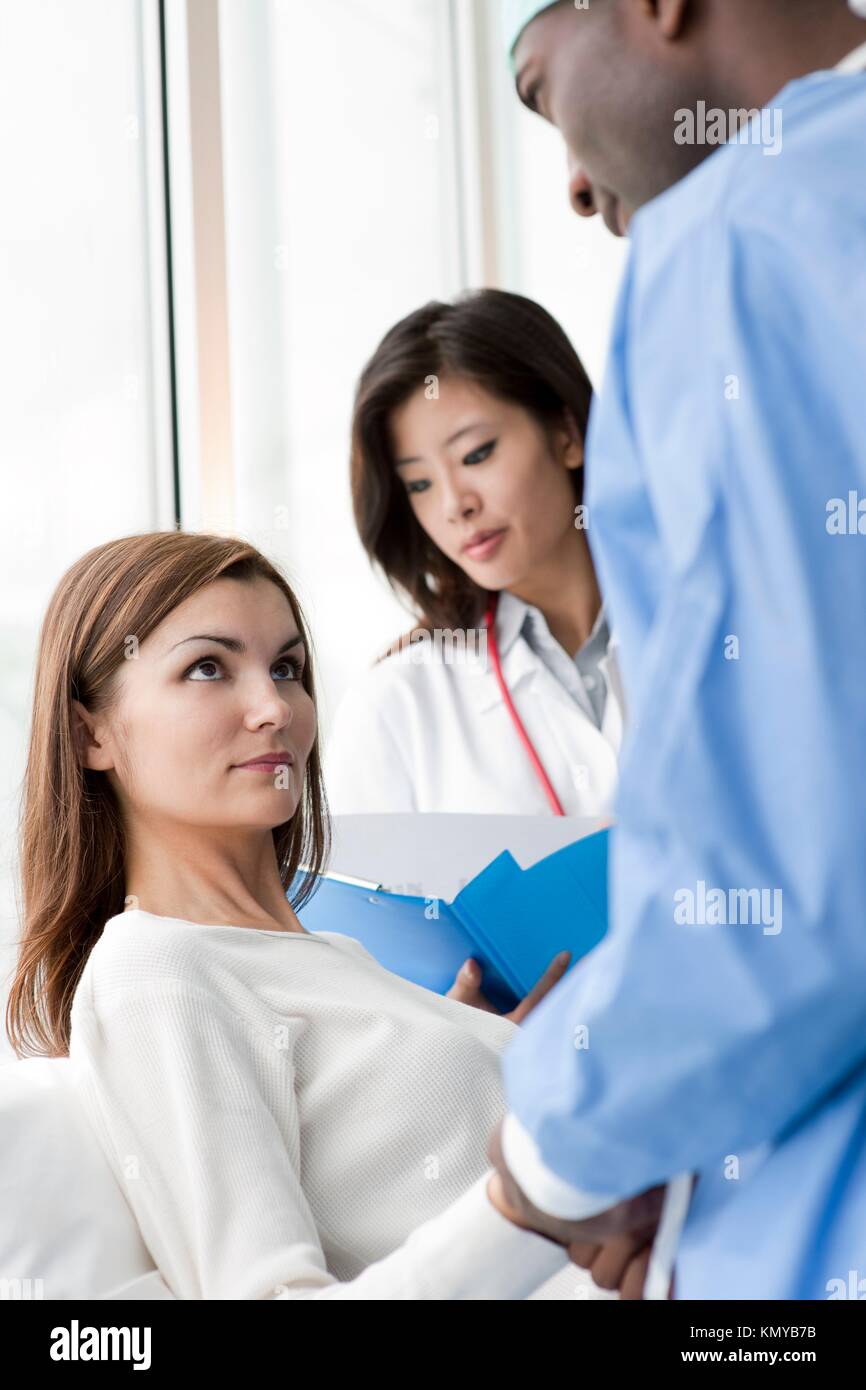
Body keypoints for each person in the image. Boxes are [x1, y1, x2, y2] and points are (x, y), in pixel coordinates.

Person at [485, 0, 866, 1299]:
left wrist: (552, 1149)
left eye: (545, 95)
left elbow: (789, 887)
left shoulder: (741, 232)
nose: (580, 187)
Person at [6, 529, 603, 1300]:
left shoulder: (338, 957)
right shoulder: (156, 970)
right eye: (208, 668)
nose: (275, 709)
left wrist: (479, 1049)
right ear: (92, 732)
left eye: (287, 668)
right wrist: (525, 1204)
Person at [324, 289, 624, 817]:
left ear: (568, 434)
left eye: (476, 454)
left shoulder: (721, 623)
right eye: (418, 484)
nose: (454, 505)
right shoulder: (397, 704)